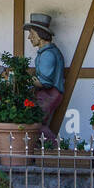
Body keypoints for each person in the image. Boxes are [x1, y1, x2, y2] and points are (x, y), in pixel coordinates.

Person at [25, 13, 66, 141]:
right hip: (46, 94)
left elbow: (44, 83)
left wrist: (22, 78)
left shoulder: (48, 55)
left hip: (49, 94)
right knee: (35, 122)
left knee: (35, 123)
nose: (29, 37)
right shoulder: (45, 53)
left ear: (40, 34)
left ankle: (55, 149)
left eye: (32, 33)